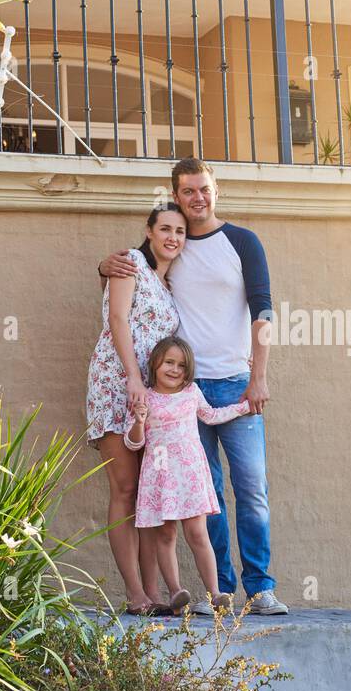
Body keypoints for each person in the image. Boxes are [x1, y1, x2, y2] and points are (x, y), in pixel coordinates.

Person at [99, 158, 288, 615]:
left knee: (252, 486)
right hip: (180, 393)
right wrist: (103, 266)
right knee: (205, 494)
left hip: (235, 385)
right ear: (176, 195)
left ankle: (260, 588)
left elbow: (263, 310)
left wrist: (259, 376)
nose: (197, 198)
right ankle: (217, 590)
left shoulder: (242, 241)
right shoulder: (169, 250)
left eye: (203, 189)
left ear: (215, 190)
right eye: (187, 191)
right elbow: (131, 277)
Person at [86, 202, 186, 615]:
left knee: (149, 493)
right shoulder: (129, 263)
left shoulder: (169, 287)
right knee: (125, 489)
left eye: (179, 231)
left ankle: (155, 592)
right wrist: (132, 376)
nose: (172, 237)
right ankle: (134, 593)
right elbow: (119, 319)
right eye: (165, 228)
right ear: (149, 231)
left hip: (153, 397)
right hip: (117, 384)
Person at [124, 336, 250, 615]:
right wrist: (139, 421)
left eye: (181, 365)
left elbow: (211, 416)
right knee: (166, 534)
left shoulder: (191, 392)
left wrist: (243, 407)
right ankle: (176, 591)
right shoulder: (146, 398)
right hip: (161, 475)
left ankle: (215, 592)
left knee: (197, 533)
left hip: (190, 472)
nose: (175, 369)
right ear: (155, 362)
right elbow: (133, 443)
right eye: (169, 362)